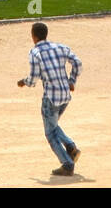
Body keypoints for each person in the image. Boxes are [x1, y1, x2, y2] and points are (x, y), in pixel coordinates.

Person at [17, 21, 83, 176]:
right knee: (52, 125)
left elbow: (33, 78)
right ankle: (71, 148)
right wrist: (72, 81)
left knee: (50, 133)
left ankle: (67, 164)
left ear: (33, 36)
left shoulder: (35, 53)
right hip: (65, 95)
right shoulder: (60, 47)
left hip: (51, 98)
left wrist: (23, 82)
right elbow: (78, 63)